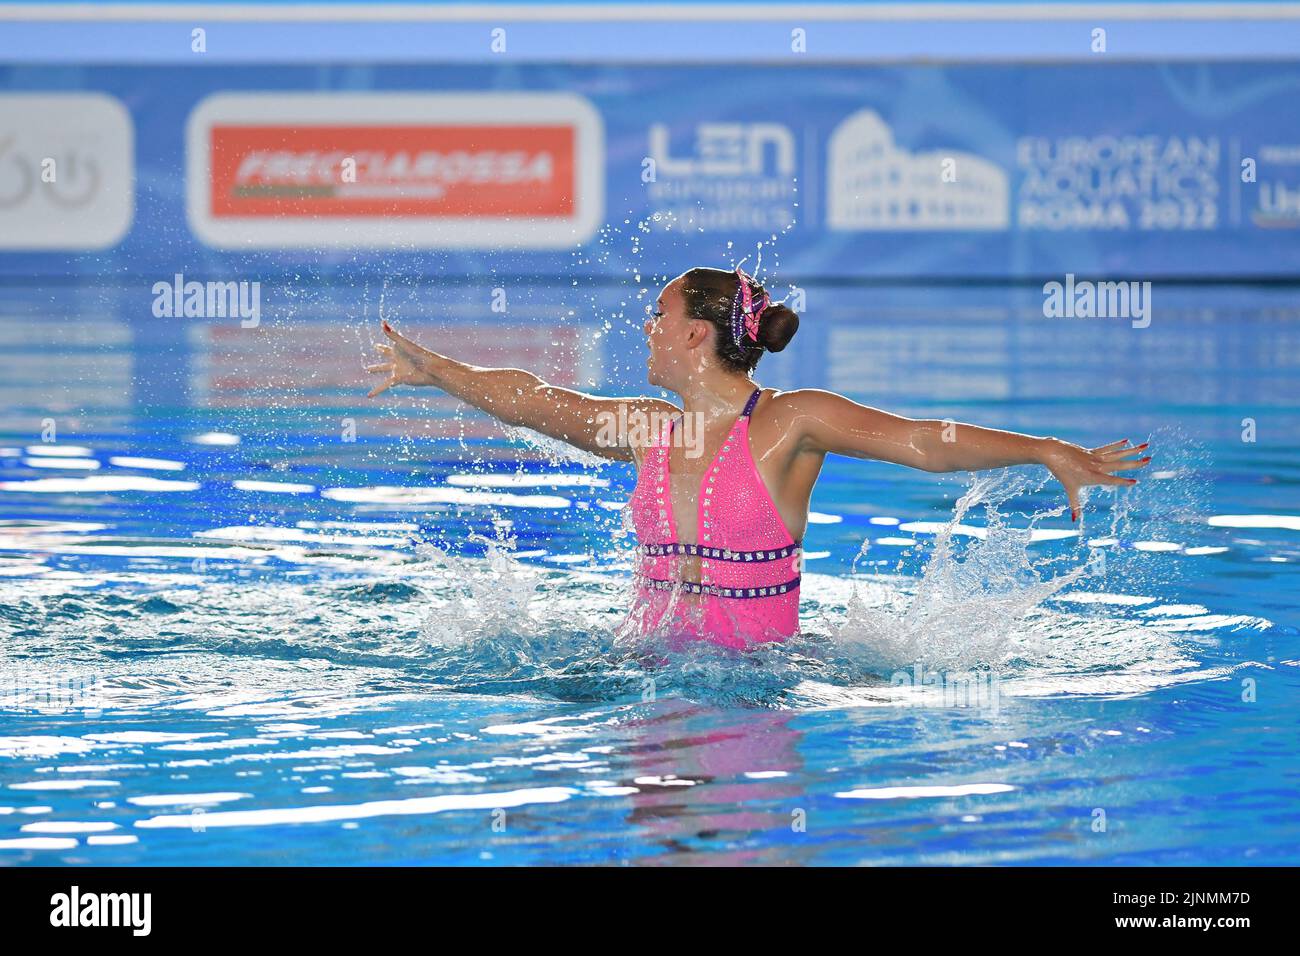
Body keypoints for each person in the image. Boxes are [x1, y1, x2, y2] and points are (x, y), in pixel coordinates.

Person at [365, 266, 1150, 649]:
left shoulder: (787, 425)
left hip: (758, 686)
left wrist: (1045, 451)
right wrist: (433, 369)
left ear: (696, 336)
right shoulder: (646, 429)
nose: (646, 327)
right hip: (641, 670)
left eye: (658, 315)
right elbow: (532, 399)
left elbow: (920, 441)